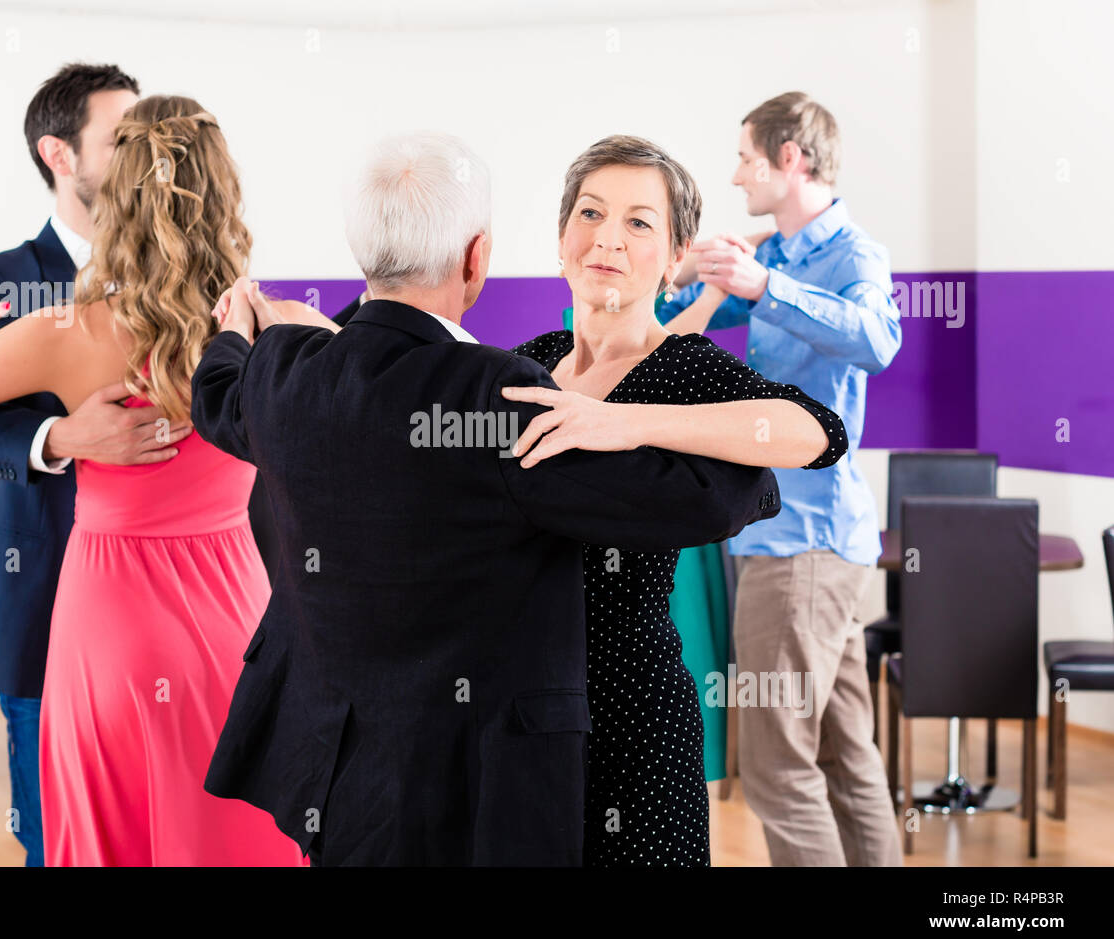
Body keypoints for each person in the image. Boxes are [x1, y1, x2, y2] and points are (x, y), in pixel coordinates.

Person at [190, 131, 781, 867]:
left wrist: (239, 333)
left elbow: (216, 395)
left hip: (334, 777)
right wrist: (747, 474)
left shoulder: (285, 374)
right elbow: (694, 504)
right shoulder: (494, 393)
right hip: (472, 787)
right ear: (477, 257)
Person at [0, 95, 303, 867]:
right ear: (225, 198)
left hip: (112, 627)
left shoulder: (66, 330)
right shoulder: (281, 325)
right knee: (231, 831)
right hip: (237, 617)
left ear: (117, 200)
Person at [503, 135, 849, 866]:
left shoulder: (682, 366)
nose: (607, 239)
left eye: (638, 223)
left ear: (674, 255)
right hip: (520, 705)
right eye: (590, 214)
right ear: (562, 239)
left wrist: (625, 421)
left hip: (632, 706)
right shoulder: (526, 363)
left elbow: (818, 431)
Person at [0, 62, 163, 867]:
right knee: (53, 836)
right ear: (58, 155)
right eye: (118, 137)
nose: (142, 152)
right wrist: (57, 441)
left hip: (166, 615)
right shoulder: (0, 282)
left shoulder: (177, 274)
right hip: (44, 605)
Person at [659, 92, 904, 866]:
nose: (735, 176)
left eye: (745, 159)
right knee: (845, 758)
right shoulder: (776, 256)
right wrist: (697, 273)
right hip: (800, 546)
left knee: (775, 768)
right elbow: (675, 324)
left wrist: (765, 288)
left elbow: (877, 340)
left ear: (790, 158)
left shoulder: (848, 256)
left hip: (803, 549)